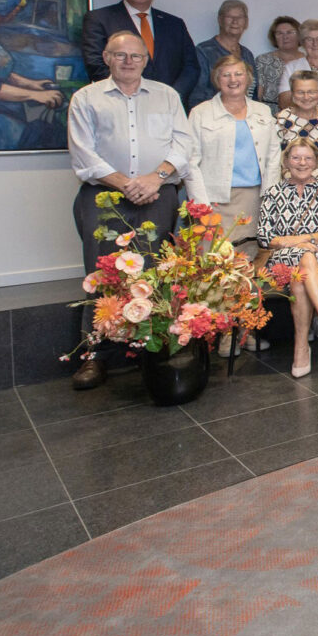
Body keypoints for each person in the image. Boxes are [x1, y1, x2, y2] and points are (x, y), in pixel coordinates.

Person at [66, 31, 191, 389]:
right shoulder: (86, 98)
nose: (128, 62)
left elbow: (183, 145)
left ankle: (152, 349)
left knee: (155, 271)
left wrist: (155, 178)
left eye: (135, 56)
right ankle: (95, 356)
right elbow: (83, 154)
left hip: (158, 193)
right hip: (103, 196)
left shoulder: (166, 96)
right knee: (102, 274)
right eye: (120, 55)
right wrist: (125, 184)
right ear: (106, 57)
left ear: (145, 59)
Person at [256, 141, 318, 376]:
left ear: (317, 162)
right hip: (280, 260)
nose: (302, 163)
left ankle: (301, 349)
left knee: (302, 274)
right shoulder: (273, 193)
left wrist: (294, 239)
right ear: (286, 161)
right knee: (306, 258)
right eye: (296, 158)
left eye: (308, 158)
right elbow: (265, 236)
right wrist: (301, 242)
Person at [183, 55, 280, 256]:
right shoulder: (201, 113)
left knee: (248, 260)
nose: (233, 79)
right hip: (214, 200)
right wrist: (201, 205)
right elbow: (190, 162)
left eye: (238, 74)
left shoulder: (262, 111)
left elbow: (273, 157)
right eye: (226, 75)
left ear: (248, 78)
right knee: (213, 260)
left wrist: (270, 199)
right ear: (217, 80)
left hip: (254, 199)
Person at [80, 0, 197, 102]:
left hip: (169, 107)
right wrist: (132, 94)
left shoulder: (175, 24)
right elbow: (96, 65)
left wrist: (173, 96)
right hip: (121, 104)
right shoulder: (98, 19)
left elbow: (191, 67)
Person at [0, 0, 64, 150]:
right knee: (50, 133)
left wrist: (31, 84)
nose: (17, 12)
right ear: (7, 10)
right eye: (16, 8)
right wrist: (35, 96)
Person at [188, 0, 254, 109]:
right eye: (229, 17)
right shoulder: (203, 51)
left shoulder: (247, 54)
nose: (235, 21)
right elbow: (198, 95)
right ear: (220, 20)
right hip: (215, 119)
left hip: (246, 116)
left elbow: (253, 91)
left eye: (240, 17)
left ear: (246, 22)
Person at [276, 70, 318, 176]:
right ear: (292, 93)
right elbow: (274, 159)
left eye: (311, 92)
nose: (306, 97)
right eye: (300, 92)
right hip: (291, 187)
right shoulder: (282, 119)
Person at [256, 15, 303, 112]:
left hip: (302, 114)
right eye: (279, 33)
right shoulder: (263, 60)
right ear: (274, 37)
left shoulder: (309, 61)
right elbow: (257, 95)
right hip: (269, 114)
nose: (285, 37)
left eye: (290, 32)